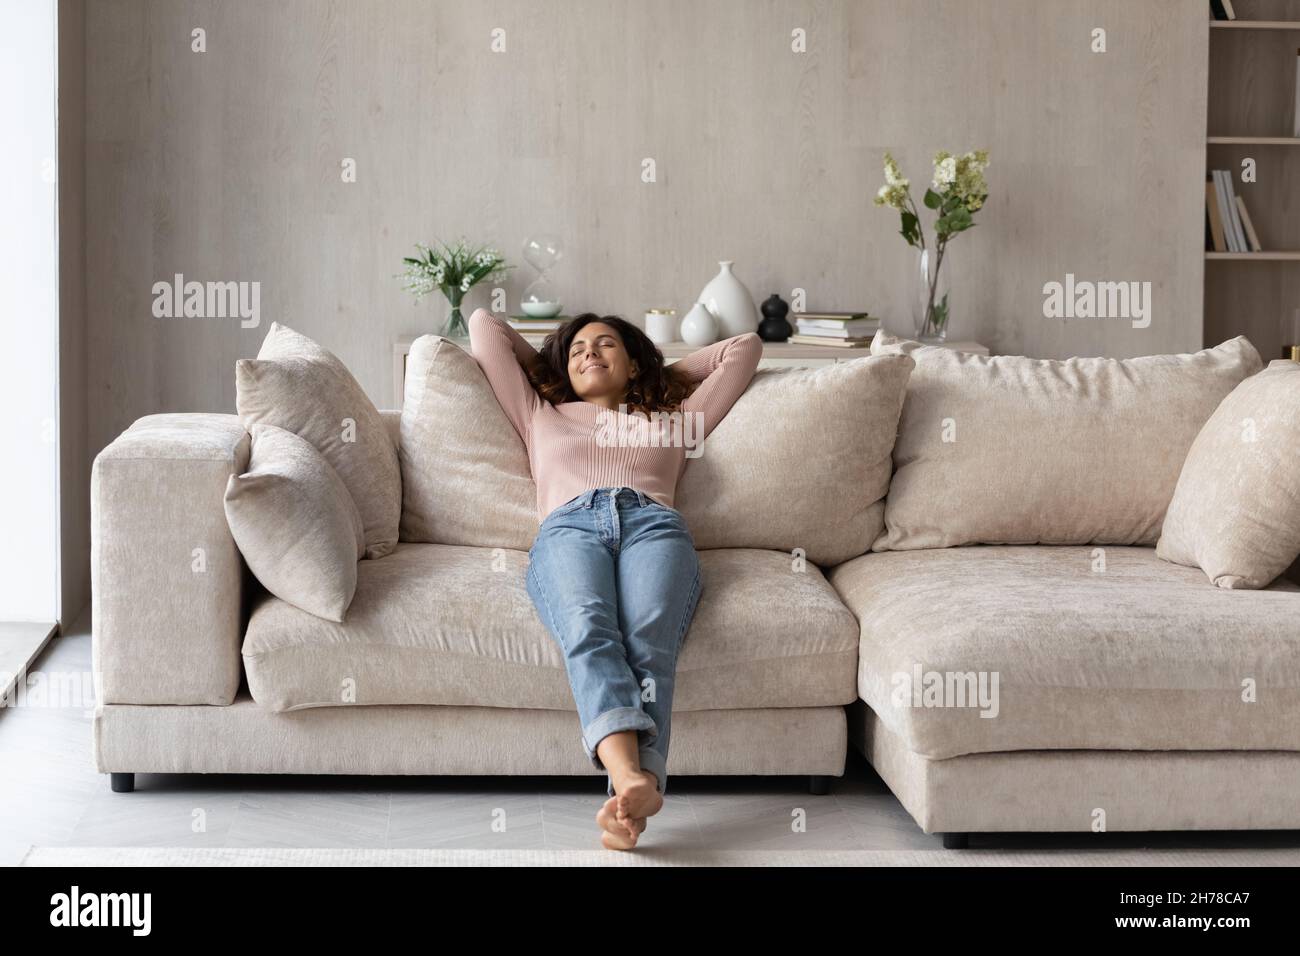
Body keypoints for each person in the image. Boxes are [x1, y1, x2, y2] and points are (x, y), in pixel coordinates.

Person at [467, 307, 762, 849]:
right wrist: (556, 368)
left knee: (649, 638)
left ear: (632, 363)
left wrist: (655, 376)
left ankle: (630, 799)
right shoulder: (541, 414)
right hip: (569, 527)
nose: (590, 354)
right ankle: (635, 780)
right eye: (578, 349)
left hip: (654, 524)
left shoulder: (676, 419)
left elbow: (743, 348)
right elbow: (485, 326)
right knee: (586, 625)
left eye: (605, 346)